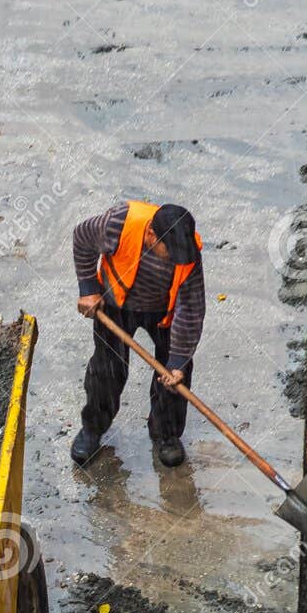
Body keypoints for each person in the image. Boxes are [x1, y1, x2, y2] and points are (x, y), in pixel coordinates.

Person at [70, 200, 204, 469]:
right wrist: (88, 289)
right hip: (116, 305)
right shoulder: (118, 224)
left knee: (175, 377)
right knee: (107, 370)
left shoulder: (188, 251)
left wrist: (177, 363)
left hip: (164, 312)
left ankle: (166, 435)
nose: (178, 258)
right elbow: (82, 237)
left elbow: (191, 309)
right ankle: (92, 429)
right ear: (152, 236)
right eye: (171, 252)